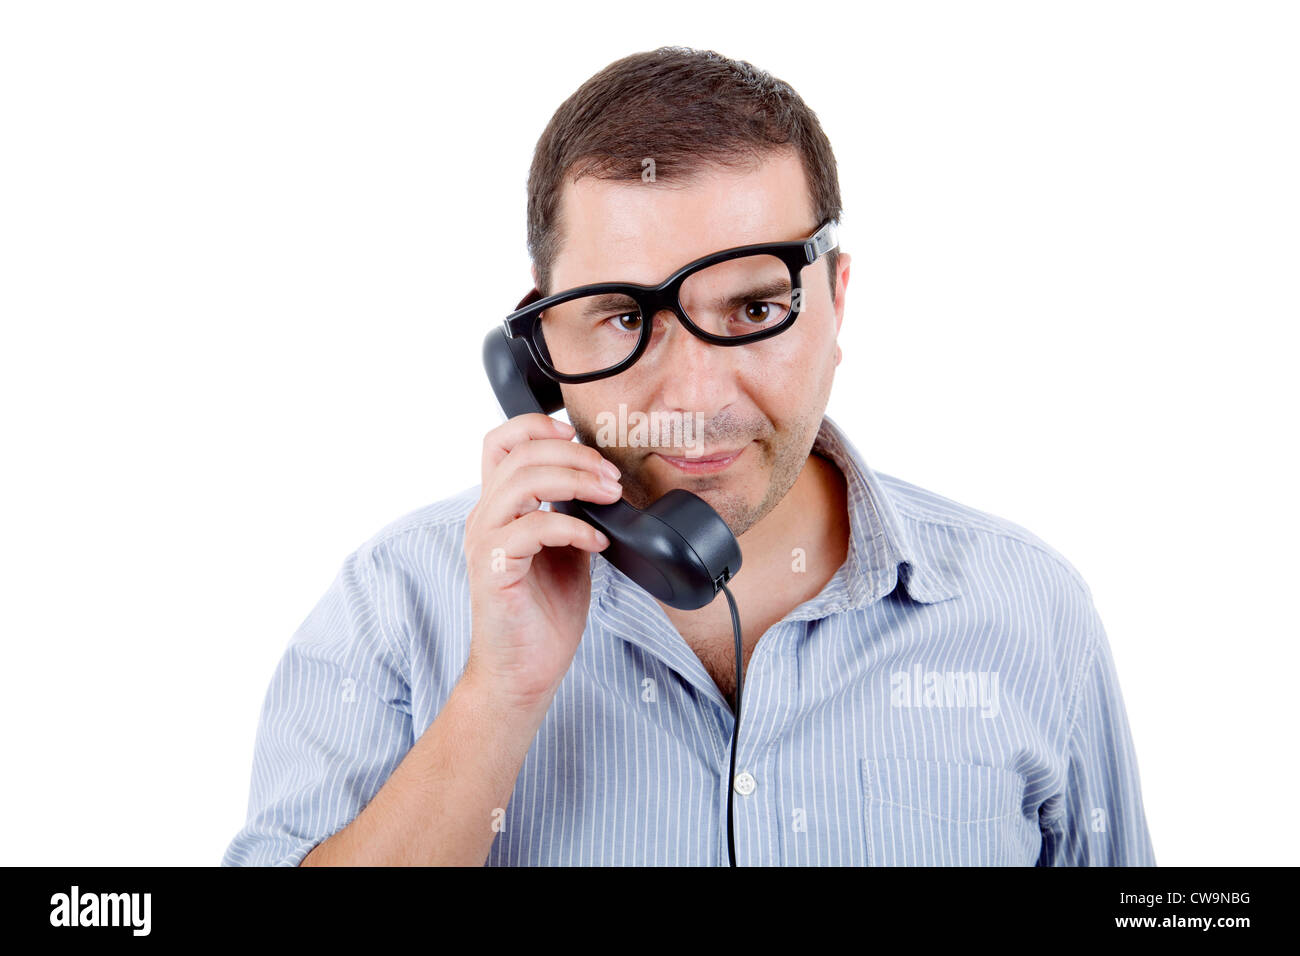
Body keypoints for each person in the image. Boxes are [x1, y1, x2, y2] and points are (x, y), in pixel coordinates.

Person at [222, 46, 1155, 866]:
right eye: (626, 319)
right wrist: (495, 698)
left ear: (837, 300)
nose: (698, 400)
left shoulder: (1031, 615)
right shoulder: (396, 608)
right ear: (537, 357)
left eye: (754, 310)